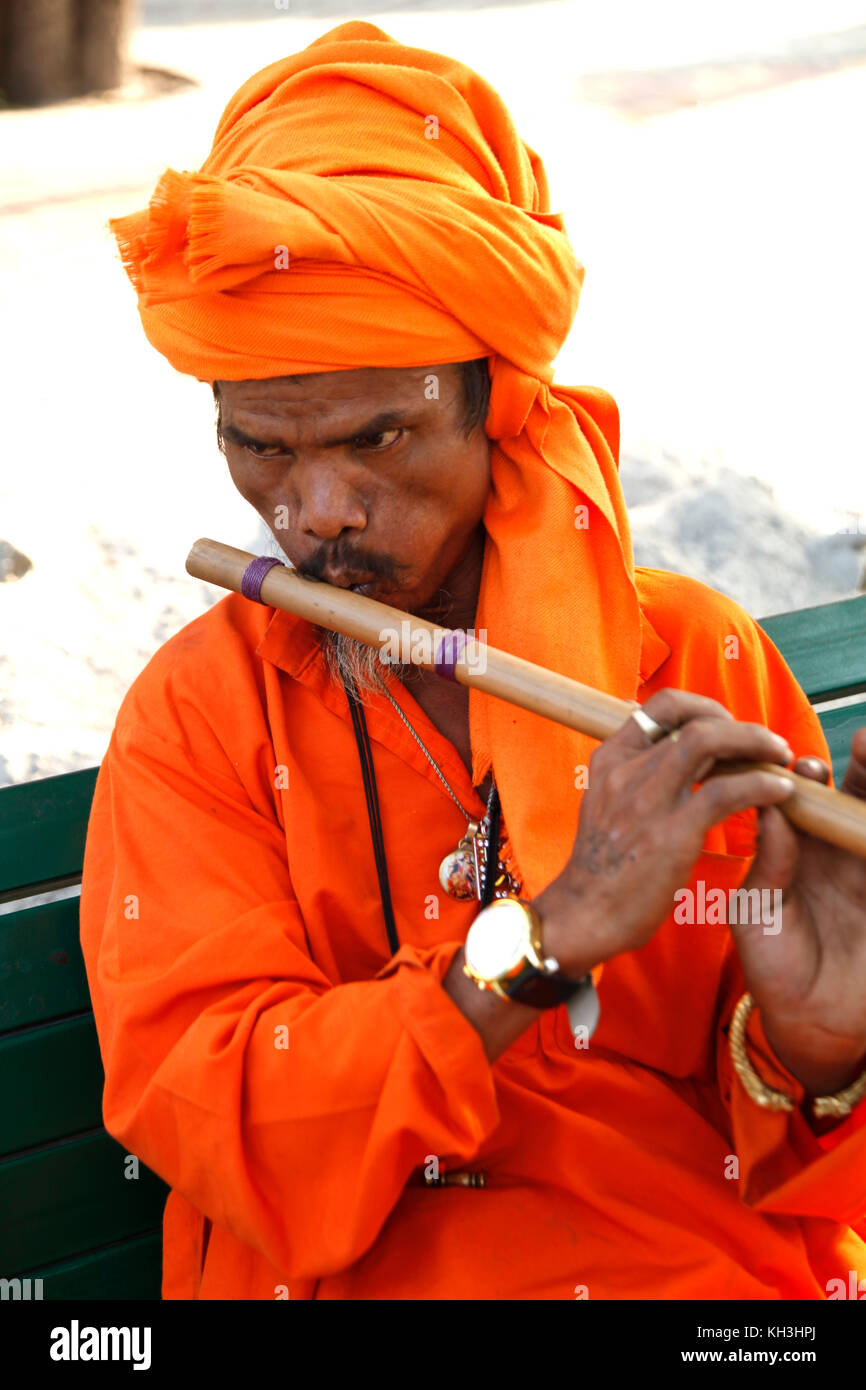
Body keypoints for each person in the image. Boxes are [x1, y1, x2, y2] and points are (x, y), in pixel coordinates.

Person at [80, 21, 866, 1301]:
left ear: (493, 398)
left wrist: (817, 1041)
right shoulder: (199, 717)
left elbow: (784, 1146)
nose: (315, 509)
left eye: (375, 436)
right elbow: (215, 1110)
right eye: (261, 450)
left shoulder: (688, 654)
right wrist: (535, 946)